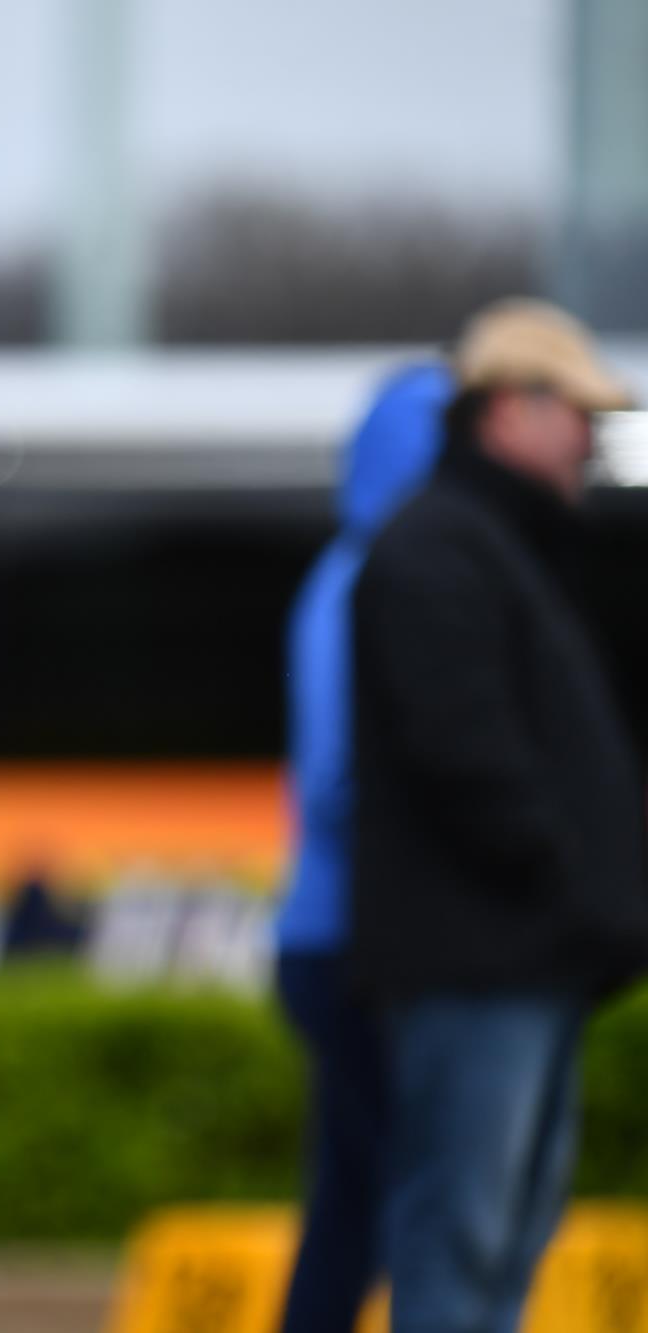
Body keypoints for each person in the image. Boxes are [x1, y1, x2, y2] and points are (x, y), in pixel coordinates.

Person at [351, 298, 648, 1332]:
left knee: (501, 1238)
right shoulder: (441, 548)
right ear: (508, 411)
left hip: (522, 952)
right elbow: (462, 754)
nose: (591, 440)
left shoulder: (487, 544)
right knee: (462, 1235)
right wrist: (569, 880)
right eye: (578, 413)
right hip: (485, 959)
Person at [273, 361, 451, 1332]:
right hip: (350, 938)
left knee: (352, 1196)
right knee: (374, 1201)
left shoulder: (348, 579)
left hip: (334, 932)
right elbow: (339, 780)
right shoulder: (362, 586)